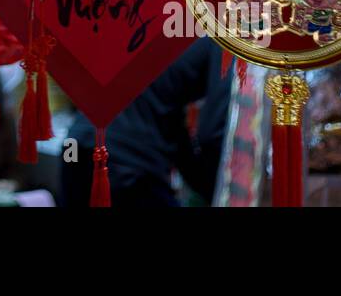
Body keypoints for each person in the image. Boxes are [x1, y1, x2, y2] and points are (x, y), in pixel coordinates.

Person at [60, 37, 232, 206]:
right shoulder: (227, 36)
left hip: (75, 147)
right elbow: (213, 133)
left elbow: (171, 125)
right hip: (125, 165)